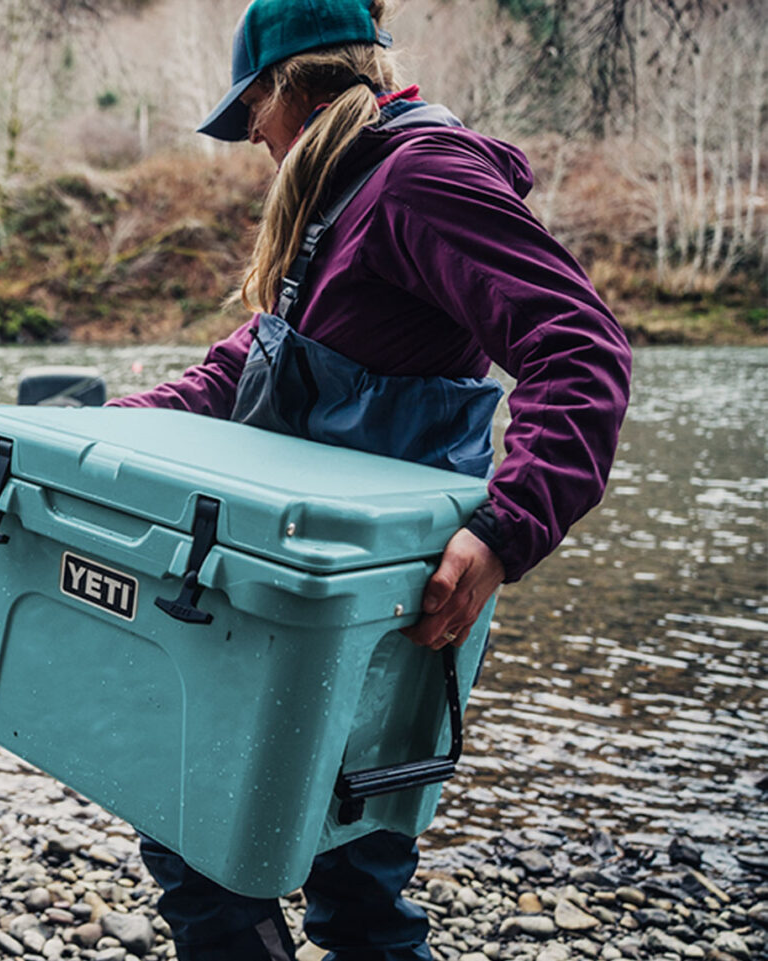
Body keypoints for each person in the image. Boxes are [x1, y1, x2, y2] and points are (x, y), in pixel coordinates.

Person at [107, 0, 633, 957]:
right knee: (298, 865)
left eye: (252, 114)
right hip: (303, 599)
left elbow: (582, 349)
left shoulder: (420, 179)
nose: (254, 140)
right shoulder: (343, 198)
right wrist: (97, 436)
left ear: (285, 92)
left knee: (251, 851)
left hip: (385, 608)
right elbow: (251, 365)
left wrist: (505, 529)